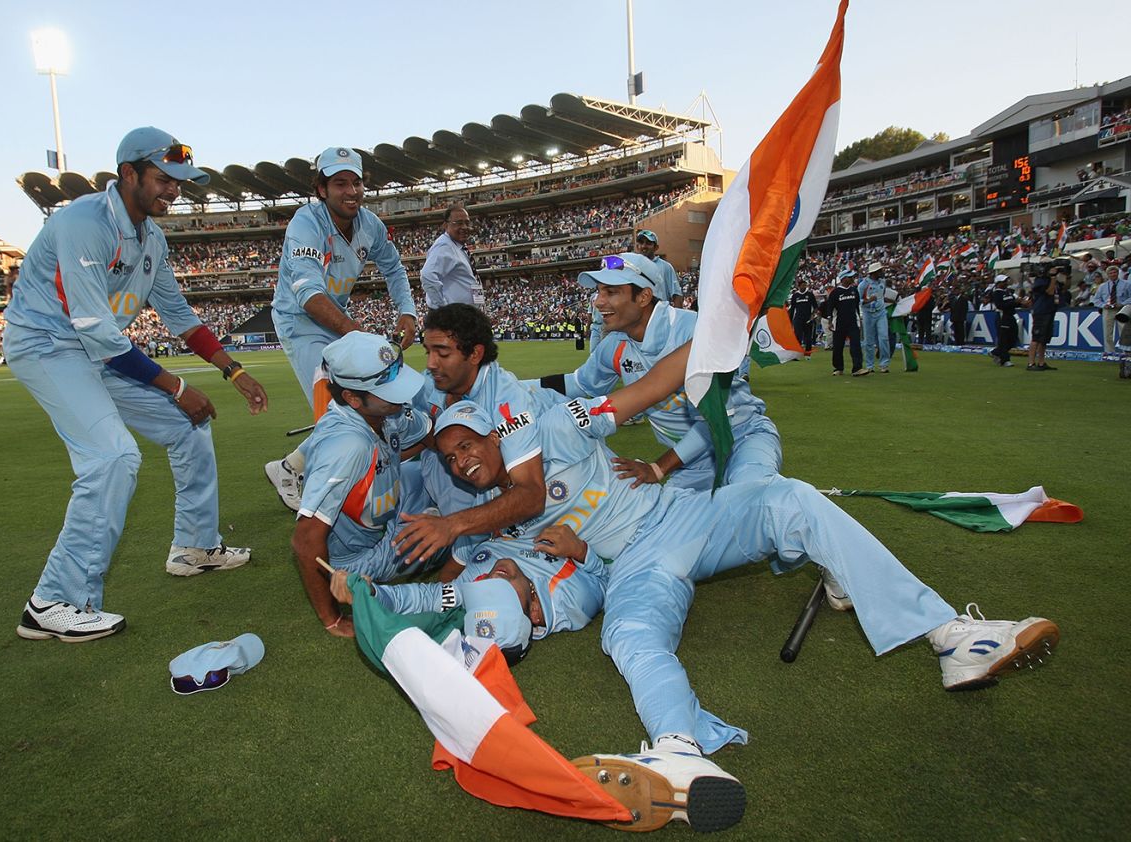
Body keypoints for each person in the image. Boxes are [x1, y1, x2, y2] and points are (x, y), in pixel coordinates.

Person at [358, 355, 1059, 832]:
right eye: (450, 460)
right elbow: (533, 584)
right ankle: (679, 752)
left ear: (496, 431)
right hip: (638, 566)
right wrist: (377, 592)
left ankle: (952, 637)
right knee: (628, 638)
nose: (462, 462)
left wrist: (714, 328)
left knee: (791, 498)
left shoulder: (554, 424)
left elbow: (650, 389)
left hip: (681, 517)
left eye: (467, 446)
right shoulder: (493, 525)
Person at [3, 127, 268, 643]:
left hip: (94, 354)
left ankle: (195, 547)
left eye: (180, 182)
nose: (175, 190)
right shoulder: (83, 220)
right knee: (112, 457)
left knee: (190, 425)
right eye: (165, 179)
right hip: (48, 345)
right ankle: (53, 601)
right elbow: (99, 332)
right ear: (128, 174)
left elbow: (178, 316)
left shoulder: (153, 236)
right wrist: (175, 385)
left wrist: (233, 371)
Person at [266, 146, 418, 510]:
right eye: (340, 184)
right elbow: (308, 294)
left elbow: (394, 269)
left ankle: (289, 468)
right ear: (322, 189)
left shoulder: (370, 225)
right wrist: (358, 335)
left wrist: (408, 312)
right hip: (300, 324)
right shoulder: (306, 223)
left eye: (356, 183)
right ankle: (330, 504)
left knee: (362, 405)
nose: (351, 191)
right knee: (334, 410)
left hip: (335, 321)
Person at [538, 252, 763, 491]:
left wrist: (659, 467)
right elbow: (579, 385)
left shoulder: (693, 331)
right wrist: (517, 386)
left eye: (611, 292)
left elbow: (716, 419)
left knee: (753, 497)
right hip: (692, 462)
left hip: (742, 438)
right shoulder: (615, 344)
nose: (598, 302)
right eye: (599, 291)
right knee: (675, 526)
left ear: (644, 296)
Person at [394, 303, 563, 576]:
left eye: (442, 353)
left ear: (475, 354)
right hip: (443, 470)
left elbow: (531, 494)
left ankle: (453, 538)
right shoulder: (432, 382)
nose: (430, 364)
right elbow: (406, 424)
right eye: (429, 352)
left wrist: (453, 525)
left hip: (503, 490)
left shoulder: (506, 400)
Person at [290, 332, 436, 635]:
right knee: (447, 533)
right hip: (356, 560)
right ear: (353, 397)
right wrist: (332, 620)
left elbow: (428, 433)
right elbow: (304, 540)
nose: (401, 396)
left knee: (430, 476)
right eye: (388, 390)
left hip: (381, 517)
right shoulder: (347, 446)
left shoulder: (382, 412)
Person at [420, 203, 485, 310]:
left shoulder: (458, 246)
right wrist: (443, 308)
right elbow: (427, 276)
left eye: (467, 223)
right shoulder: (444, 246)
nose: (464, 227)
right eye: (458, 223)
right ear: (446, 225)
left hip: (465, 315)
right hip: (452, 319)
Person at [827, 268, 865, 375]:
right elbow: (830, 308)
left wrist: (859, 320)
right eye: (850, 277)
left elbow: (857, 306)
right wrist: (830, 321)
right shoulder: (835, 292)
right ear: (843, 278)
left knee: (856, 345)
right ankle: (838, 368)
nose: (852, 278)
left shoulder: (854, 290)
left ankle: (857, 368)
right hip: (839, 323)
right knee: (838, 347)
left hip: (853, 322)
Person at [634, 230, 683, 307]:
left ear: (656, 247)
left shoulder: (666, 267)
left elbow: (677, 295)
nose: (644, 246)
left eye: (648, 243)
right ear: (637, 246)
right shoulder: (632, 266)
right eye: (641, 242)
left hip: (659, 315)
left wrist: (678, 317)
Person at [859, 261, 891, 373]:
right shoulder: (863, 284)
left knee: (884, 338)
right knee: (869, 340)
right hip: (868, 313)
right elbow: (859, 301)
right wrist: (868, 300)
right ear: (874, 272)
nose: (882, 272)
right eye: (880, 270)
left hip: (881, 312)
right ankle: (869, 365)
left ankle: (884, 364)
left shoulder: (883, 282)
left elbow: (882, 296)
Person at [1093, 265, 1131, 354]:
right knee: (1107, 332)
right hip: (1108, 310)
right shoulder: (1102, 286)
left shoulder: (1127, 284)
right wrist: (1103, 305)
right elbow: (1096, 299)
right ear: (1107, 275)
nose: (1113, 274)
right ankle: (1109, 352)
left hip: (1122, 309)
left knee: (1123, 331)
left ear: (1118, 273)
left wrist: (1123, 303)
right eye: (1111, 273)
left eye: (1115, 272)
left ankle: (1125, 351)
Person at [1027, 269, 1058, 371]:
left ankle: (1041, 362)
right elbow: (1049, 292)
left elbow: (1063, 288)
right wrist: (1053, 278)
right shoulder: (1040, 281)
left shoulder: (1048, 279)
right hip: (1041, 311)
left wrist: (1067, 276)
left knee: (1044, 339)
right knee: (1036, 338)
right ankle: (1031, 363)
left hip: (1049, 310)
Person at [988, 274, 1018, 367]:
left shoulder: (1008, 292)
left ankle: (996, 352)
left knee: (1013, 338)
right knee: (1003, 339)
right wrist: (1014, 302)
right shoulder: (996, 293)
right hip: (1003, 316)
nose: (1006, 283)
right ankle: (1005, 360)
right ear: (998, 283)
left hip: (1011, 316)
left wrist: (1020, 303)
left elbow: (1012, 303)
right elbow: (1000, 305)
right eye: (1004, 281)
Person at [788, 278, 817, 354]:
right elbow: (792, 308)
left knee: (808, 337)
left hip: (808, 319)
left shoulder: (810, 295)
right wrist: (790, 320)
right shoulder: (795, 296)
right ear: (799, 286)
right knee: (798, 336)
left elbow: (815, 307)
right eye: (803, 285)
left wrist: (812, 315)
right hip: (798, 319)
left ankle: (808, 352)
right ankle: (796, 352)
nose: (804, 287)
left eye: (805, 285)